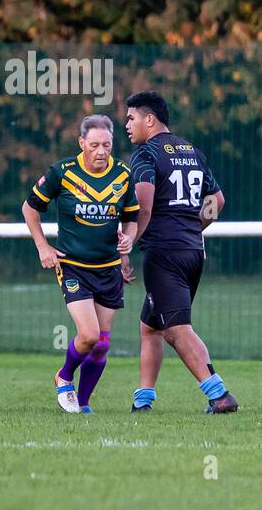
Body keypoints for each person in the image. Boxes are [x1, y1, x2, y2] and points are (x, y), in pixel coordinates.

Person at [121, 91, 237, 414]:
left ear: (150, 119)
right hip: (192, 251)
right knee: (150, 325)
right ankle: (143, 399)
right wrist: (191, 229)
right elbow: (218, 200)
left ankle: (219, 394)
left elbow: (143, 206)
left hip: (164, 253)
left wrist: (128, 246)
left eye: (131, 118)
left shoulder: (145, 154)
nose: (126, 125)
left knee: (176, 329)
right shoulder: (193, 152)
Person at [22, 114, 138, 413]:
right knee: (89, 335)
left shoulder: (123, 175)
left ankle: (83, 403)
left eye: (107, 145)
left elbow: (131, 219)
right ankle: (63, 376)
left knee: (101, 344)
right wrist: (42, 247)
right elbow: (29, 208)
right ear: (81, 143)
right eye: (95, 145)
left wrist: (128, 243)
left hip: (109, 268)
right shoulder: (63, 171)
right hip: (73, 266)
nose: (101, 151)